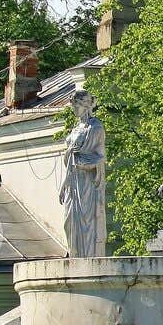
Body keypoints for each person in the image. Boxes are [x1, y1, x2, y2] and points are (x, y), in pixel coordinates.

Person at [61, 90, 107, 257]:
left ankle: (87, 255)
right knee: (69, 221)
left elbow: (100, 158)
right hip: (72, 181)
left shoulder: (95, 128)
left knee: (86, 219)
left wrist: (80, 161)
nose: (73, 109)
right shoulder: (75, 128)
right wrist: (69, 155)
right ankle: (74, 254)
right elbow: (69, 157)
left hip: (87, 182)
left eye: (76, 105)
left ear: (85, 106)